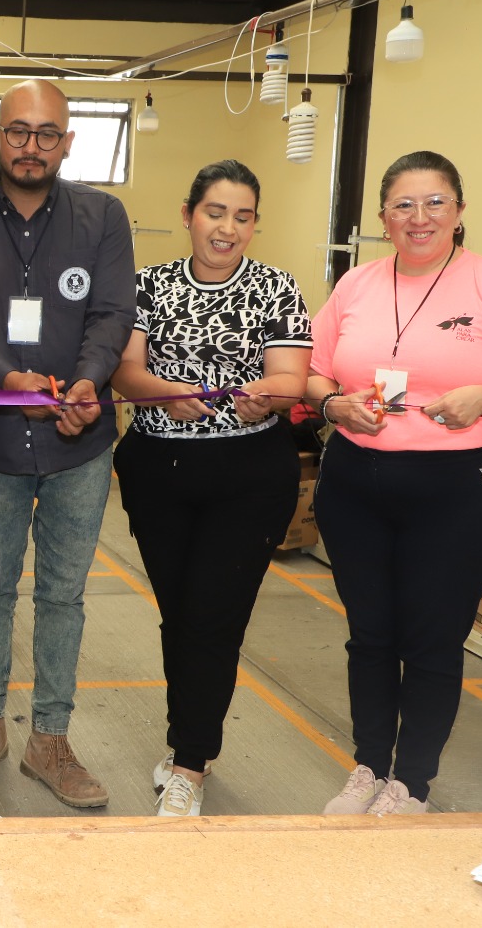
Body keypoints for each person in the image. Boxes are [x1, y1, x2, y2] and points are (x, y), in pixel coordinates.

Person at [309, 151, 482, 815]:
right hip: (354, 482)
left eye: (435, 203)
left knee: (429, 639)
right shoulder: (356, 286)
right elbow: (316, 374)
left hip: (457, 489)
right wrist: (333, 405)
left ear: (458, 213)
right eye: (404, 204)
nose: (419, 217)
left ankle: (411, 782)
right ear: (382, 217)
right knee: (369, 634)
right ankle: (368, 765)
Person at [0, 79, 135, 808]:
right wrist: (5, 375)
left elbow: (114, 312)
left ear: (68, 142)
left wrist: (86, 384)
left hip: (78, 446)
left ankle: (49, 740)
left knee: (63, 594)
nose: (31, 145)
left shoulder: (103, 216)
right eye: (18, 131)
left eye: (46, 133)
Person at [110, 160, 311, 816]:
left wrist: (268, 399)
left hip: (249, 476)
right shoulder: (146, 285)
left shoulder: (278, 287)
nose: (227, 228)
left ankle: (191, 764)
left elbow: (290, 378)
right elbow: (125, 372)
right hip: (158, 472)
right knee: (183, 616)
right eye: (215, 212)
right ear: (190, 215)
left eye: (242, 216)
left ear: (255, 225)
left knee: (214, 617)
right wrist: (165, 392)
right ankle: (186, 740)